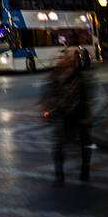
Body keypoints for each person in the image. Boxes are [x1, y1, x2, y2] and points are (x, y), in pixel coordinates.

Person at [43, 47, 92, 185]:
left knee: (84, 143)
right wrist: (47, 105)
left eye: (64, 59)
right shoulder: (54, 76)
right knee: (58, 146)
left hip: (78, 115)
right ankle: (59, 174)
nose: (60, 61)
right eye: (59, 58)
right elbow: (48, 94)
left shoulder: (78, 76)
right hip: (62, 115)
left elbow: (84, 97)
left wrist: (85, 116)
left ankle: (85, 169)